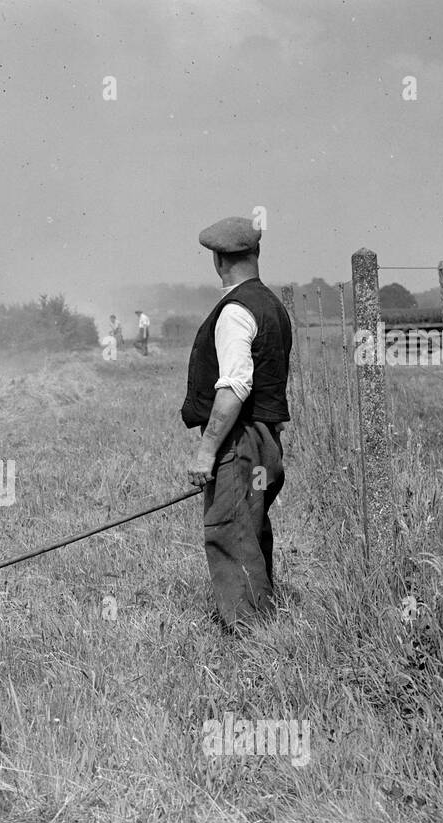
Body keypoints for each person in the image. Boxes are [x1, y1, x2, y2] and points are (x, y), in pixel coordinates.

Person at [180, 216, 292, 631]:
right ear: (255, 253)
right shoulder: (271, 304)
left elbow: (235, 387)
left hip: (240, 442)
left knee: (231, 530)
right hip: (267, 442)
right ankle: (265, 624)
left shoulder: (235, 310)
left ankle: (250, 637)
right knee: (252, 527)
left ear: (217, 260)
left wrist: (207, 450)